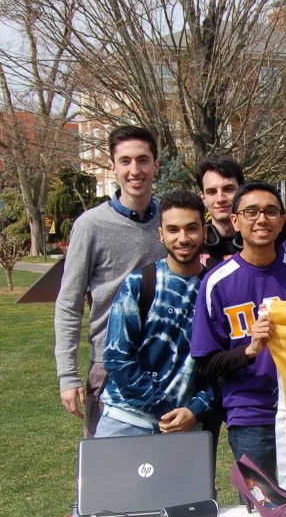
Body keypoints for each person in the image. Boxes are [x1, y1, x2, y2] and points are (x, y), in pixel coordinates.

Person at [192, 181, 286, 478]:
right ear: (235, 221)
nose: (262, 219)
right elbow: (206, 362)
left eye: (271, 211)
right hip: (250, 413)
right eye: (251, 212)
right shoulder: (216, 282)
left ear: (283, 220)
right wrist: (249, 351)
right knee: (263, 504)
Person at [54, 125, 164, 437]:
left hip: (166, 363)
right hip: (110, 367)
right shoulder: (90, 226)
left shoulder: (171, 223)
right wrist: (68, 376)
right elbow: (69, 304)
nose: (135, 170)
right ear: (112, 167)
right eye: (126, 161)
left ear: (156, 165)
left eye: (143, 160)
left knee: (171, 474)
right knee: (109, 475)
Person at [95, 191, 215, 437]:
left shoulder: (217, 288)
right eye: (173, 230)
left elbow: (222, 366)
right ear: (161, 235)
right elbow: (117, 358)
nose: (183, 238)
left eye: (191, 229)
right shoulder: (139, 283)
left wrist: (195, 410)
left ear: (204, 231)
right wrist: (163, 408)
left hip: (185, 426)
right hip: (126, 419)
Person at [195, 154, 246, 268]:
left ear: (242, 191)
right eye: (212, 192)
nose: (220, 199)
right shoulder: (193, 246)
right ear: (203, 198)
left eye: (228, 189)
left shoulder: (262, 241)